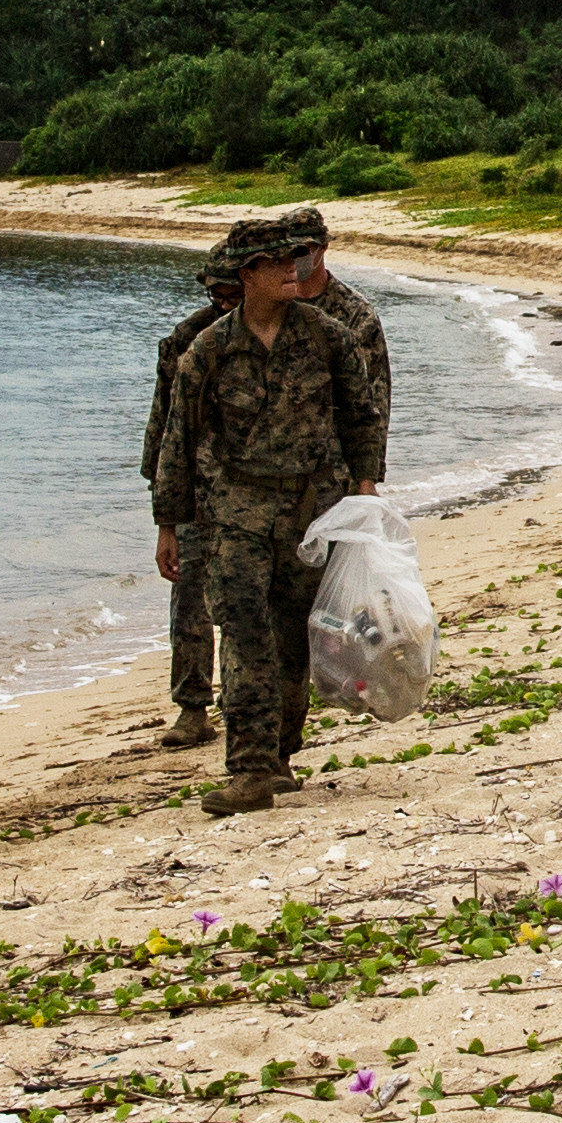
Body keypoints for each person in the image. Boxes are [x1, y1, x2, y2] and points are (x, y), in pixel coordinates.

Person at [153, 216, 391, 817]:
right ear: (248, 273)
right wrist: (168, 524)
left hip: (310, 511)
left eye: (296, 258)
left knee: (291, 637)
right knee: (243, 632)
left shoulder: (329, 335)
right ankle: (249, 769)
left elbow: (362, 416)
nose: (293, 269)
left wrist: (364, 491)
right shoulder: (206, 349)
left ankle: (282, 754)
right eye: (278, 262)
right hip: (234, 511)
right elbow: (176, 441)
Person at [139, 242, 250, 748]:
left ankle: (247, 702)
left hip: (258, 491)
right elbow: (164, 425)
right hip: (197, 492)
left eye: (233, 293)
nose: (225, 303)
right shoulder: (186, 338)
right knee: (189, 600)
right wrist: (164, 509)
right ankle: (192, 707)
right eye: (217, 295)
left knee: (255, 602)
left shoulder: (290, 335)